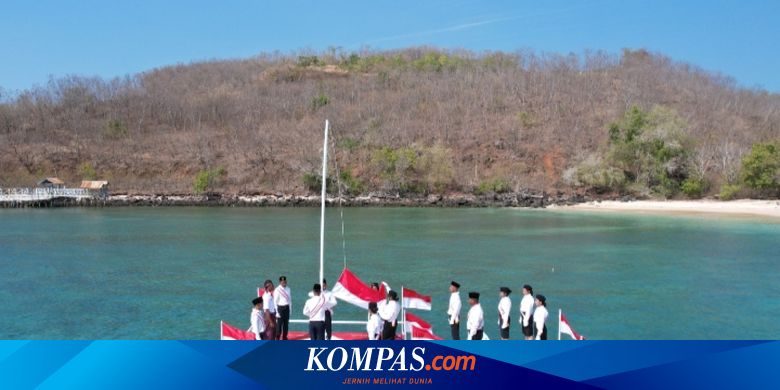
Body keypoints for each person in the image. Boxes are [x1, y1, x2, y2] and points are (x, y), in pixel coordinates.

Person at [274, 275, 292, 340]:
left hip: (286, 307)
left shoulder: (288, 289)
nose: (284, 282)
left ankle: (285, 337)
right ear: (280, 282)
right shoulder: (277, 290)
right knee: (279, 325)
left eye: (285, 281)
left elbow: (289, 300)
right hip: (280, 308)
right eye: (282, 281)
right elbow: (275, 302)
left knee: (286, 324)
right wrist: (277, 312)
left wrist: (290, 309)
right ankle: (277, 338)